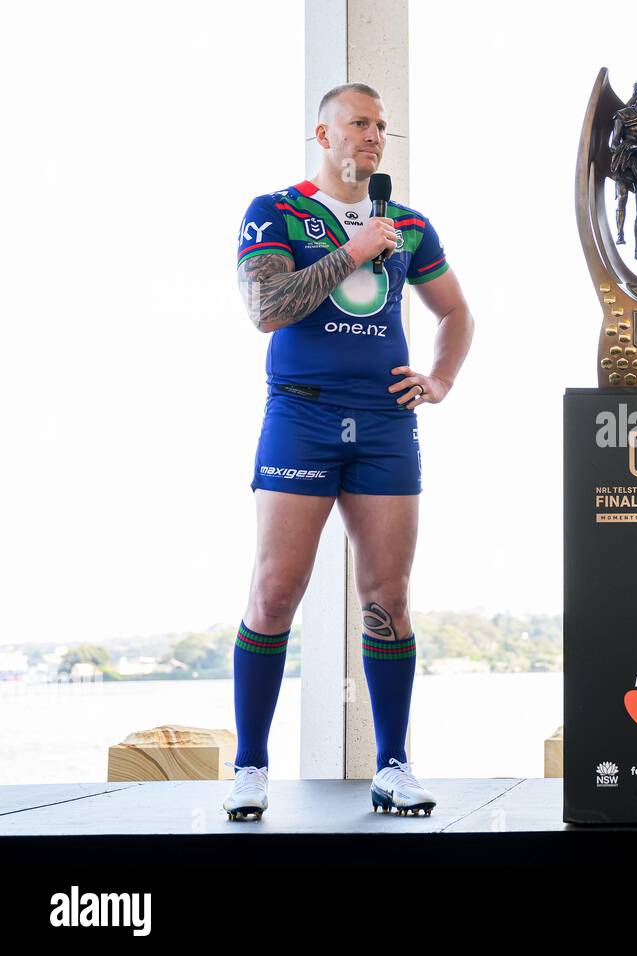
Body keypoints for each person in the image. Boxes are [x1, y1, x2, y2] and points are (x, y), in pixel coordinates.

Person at [222, 83, 475, 821]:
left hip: (385, 423)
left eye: (381, 127)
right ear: (323, 134)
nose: (373, 137)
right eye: (359, 124)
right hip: (301, 415)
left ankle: (392, 764)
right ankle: (249, 768)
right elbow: (266, 310)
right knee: (275, 592)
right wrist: (351, 250)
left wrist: (441, 379)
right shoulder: (274, 210)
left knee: (387, 598)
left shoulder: (411, 223)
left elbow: (456, 310)